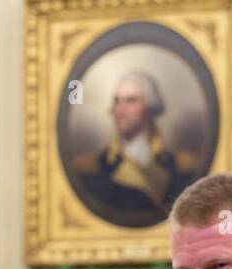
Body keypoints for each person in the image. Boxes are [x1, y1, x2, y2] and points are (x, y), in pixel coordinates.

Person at [72, 70, 200, 224]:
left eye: (131, 101)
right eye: (117, 101)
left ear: (150, 107)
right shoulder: (94, 168)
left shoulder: (181, 165)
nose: (120, 110)